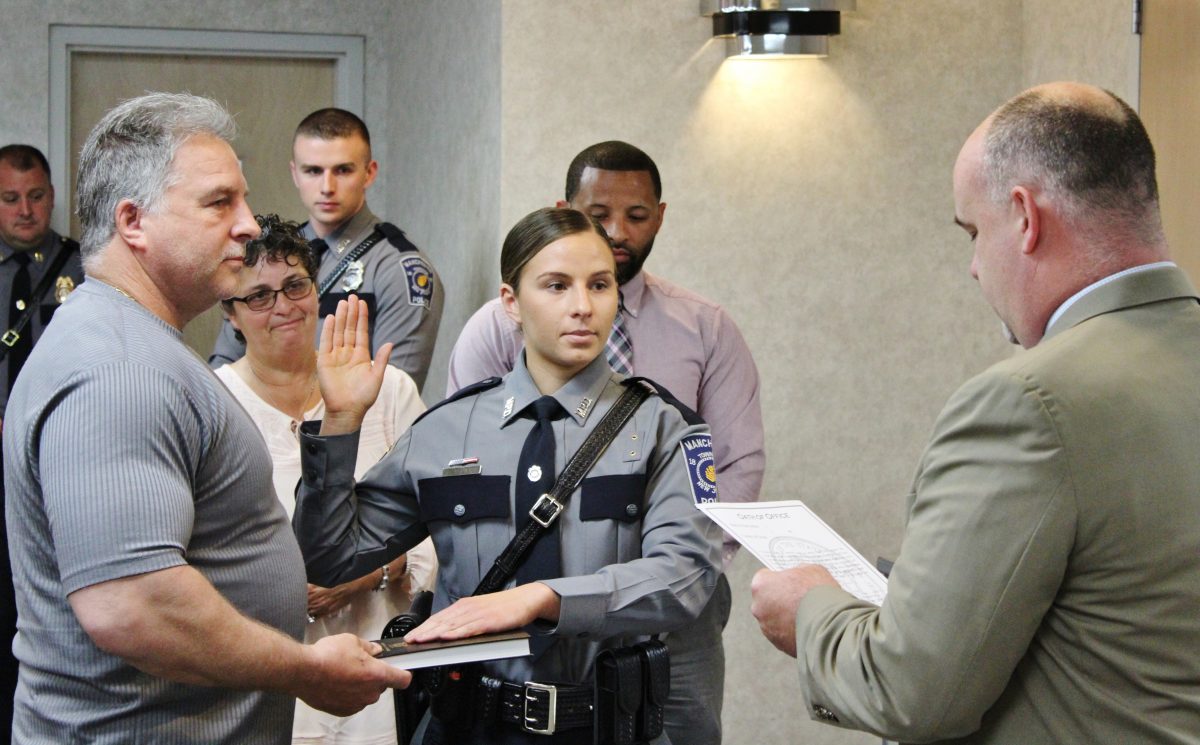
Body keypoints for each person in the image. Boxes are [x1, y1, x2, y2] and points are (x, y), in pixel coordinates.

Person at [750, 82, 1200, 744]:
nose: (972, 267)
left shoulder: (1027, 403)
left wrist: (811, 607)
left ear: (1024, 217)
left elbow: (911, 691)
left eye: (973, 232)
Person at [3, 92, 409, 745]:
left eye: (243, 200)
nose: (249, 224)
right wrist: (303, 667)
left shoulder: (140, 344)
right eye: (220, 203)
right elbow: (132, 606)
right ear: (134, 221)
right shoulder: (116, 368)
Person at [294, 207, 723, 744]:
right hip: (467, 727)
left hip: (606, 728)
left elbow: (685, 578)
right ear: (511, 303)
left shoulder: (665, 428)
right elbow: (327, 561)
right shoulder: (448, 429)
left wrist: (547, 597)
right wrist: (339, 424)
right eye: (556, 286)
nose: (583, 307)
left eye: (600, 284)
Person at [446, 141, 761, 745]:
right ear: (565, 209)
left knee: (680, 732)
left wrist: (686, 571)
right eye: (598, 215)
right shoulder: (499, 325)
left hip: (673, 607)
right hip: (531, 593)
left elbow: (734, 464)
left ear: (661, 217)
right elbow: (466, 456)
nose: (617, 232)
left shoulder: (704, 327)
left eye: (637, 217)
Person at [215, 213, 438, 744]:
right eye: (260, 296)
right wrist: (290, 587)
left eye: (295, 285)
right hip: (266, 679)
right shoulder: (213, 404)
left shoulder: (388, 391)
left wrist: (362, 574)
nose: (284, 307)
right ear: (230, 312)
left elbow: (442, 528)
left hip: (382, 677)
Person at [210, 108, 443, 391]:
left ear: (369, 173)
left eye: (343, 170)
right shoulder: (262, 254)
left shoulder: (397, 267)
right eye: (313, 171)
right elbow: (223, 371)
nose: (327, 187)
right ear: (295, 174)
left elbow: (392, 393)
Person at [0, 143, 86, 734]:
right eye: (10, 198)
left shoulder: (83, 267)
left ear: (52, 196)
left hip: (63, 458)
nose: (25, 210)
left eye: (36, 196)